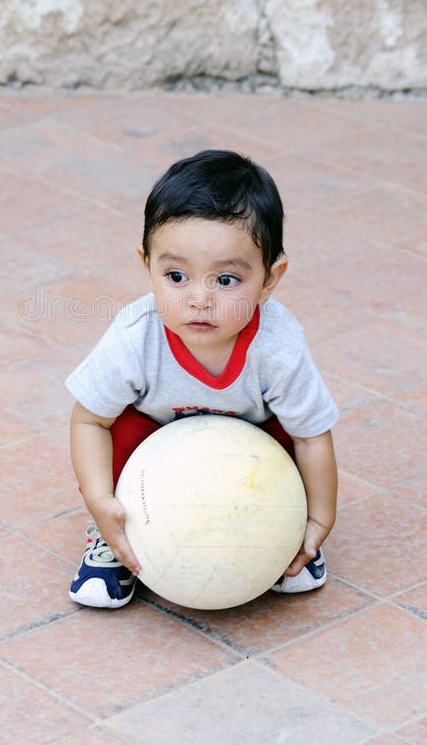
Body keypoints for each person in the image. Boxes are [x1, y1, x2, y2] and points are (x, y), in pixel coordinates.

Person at [65, 149, 338, 608]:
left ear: (270, 279)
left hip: (251, 447)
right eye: (175, 275)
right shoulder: (137, 335)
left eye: (226, 280)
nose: (199, 299)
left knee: (290, 430)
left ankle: (284, 532)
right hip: (156, 440)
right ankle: (113, 538)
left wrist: (316, 521)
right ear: (146, 264)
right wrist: (98, 498)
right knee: (117, 427)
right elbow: (87, 420)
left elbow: (313, 437)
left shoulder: (278, 347)